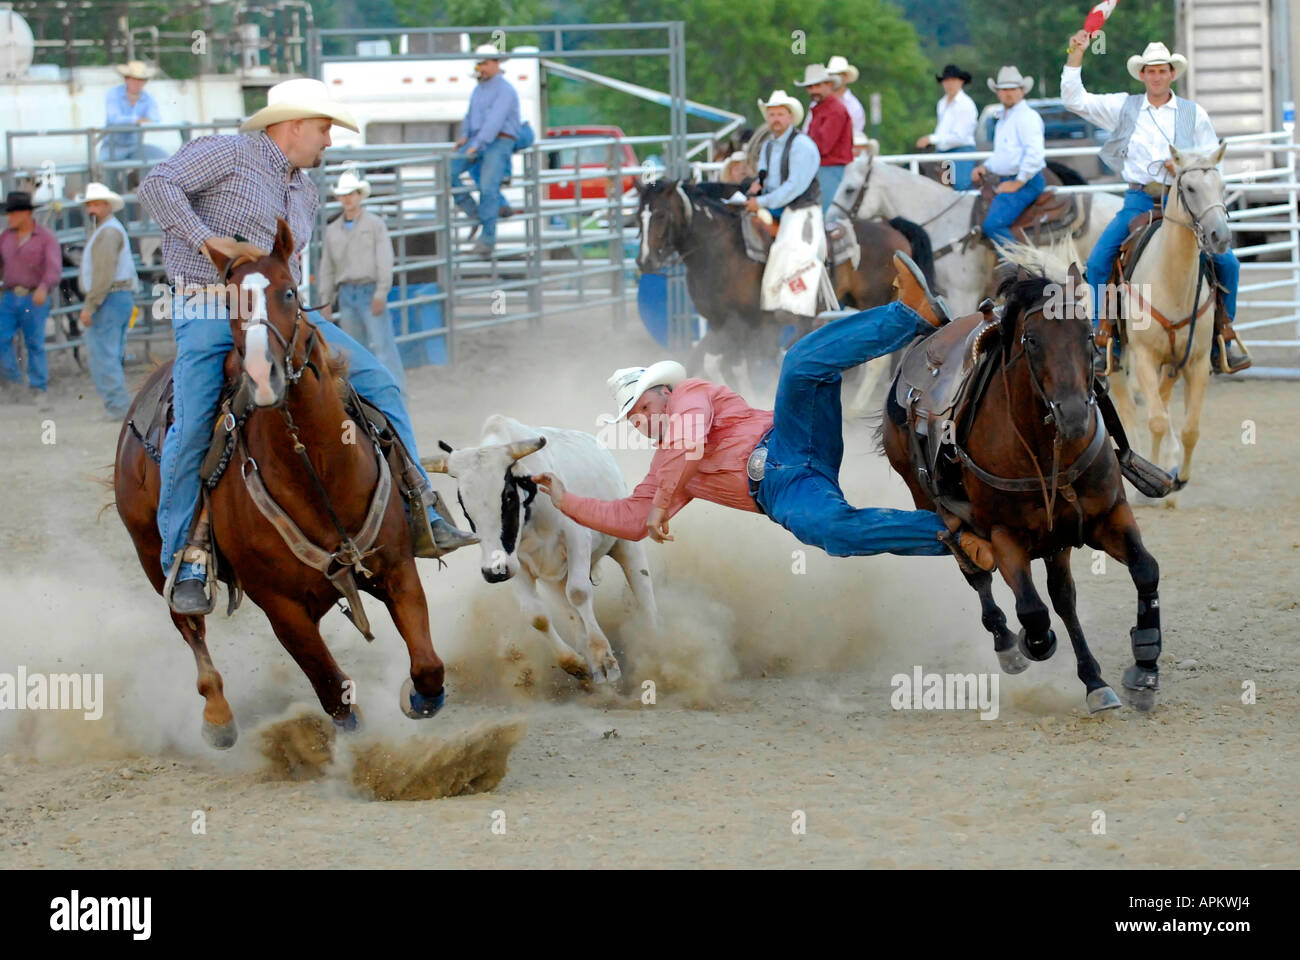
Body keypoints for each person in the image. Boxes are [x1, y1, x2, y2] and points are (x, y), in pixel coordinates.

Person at [137, 78, 476, 615]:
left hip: (286, 314)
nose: (330, 141)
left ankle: (420, 507)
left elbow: (291, 268)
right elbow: (157, 184)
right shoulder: (228, 152)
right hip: (208, 306)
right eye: (324, 129)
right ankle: (188, 555)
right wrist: (205, 240)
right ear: (293, 125)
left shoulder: (306, 189)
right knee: (196, 422)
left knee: (379, 382)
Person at [532, 253, 993, 573]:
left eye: (640, 409)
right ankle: (956, 536)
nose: (638, 424)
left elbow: (687, 443)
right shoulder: (667, 470)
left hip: (792, 437)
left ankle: (909, 318)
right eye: (631, 421)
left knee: (799, 365)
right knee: (827, 531)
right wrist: (566, 500)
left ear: (663, 392)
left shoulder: (692, 393)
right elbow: (632, 520)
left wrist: (658, 505)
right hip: (784, 492)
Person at [1063, 36, 1250, 373]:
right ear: (1143, 75)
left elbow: (1210, 163)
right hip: (1138, 199)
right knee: (1099, 261)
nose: (1157, 76)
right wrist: (1076, 54)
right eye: (1151, 71)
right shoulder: (1124, 107)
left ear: (1172, 74)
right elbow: (1075, 99)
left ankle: (1223, 332)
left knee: (1228, 264)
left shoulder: (1194, 114)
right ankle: (1102, 335)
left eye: (1163, 71)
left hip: (1185, 202)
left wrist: (1183, 167)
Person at [745, 90, 837, 329]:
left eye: (780, 114)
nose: (775, 118)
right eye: (771, 114)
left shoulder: (802, 145)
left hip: (802, 209)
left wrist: (762, 202)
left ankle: (795, 305)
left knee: (793, 249)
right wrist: (757, 186)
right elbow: (766, 176)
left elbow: (794, 186)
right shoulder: (767, 146)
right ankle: (767, 302)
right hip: (779, 207)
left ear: (790, 117)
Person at [316, 169, 405, 392]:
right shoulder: (332, 230)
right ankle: (365, 395)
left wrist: (381, 292)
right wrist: (326, 299)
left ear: (359, 195)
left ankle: (396, 391)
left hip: (369, 289)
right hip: (346, 293)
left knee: (383, 347)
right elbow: (327, 267)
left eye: (352, 193)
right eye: (344, 194)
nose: (348, 198)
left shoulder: (375, 225)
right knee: (355, 350)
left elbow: (385, 259)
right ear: (338, 197)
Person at [451, 44, 521, 259]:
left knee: (488, 187)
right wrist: (465, 135)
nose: (480, 67)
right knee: (448, 172)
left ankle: (487, 239)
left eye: (484, 63)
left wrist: (476, 143)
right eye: (479, 63)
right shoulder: (479, 89)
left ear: (495, 64)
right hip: (480, 140)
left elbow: (495, 121)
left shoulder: (505, 90)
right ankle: (476, 215)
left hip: (498, 141)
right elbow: (470, 114)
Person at [75, 182, 137, 420]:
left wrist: (91, 304)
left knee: (103, 354)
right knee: (110, 352)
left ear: (107, 205)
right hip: (117, 296)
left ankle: (118, 407)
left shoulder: (107, 232)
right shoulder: (109, 229)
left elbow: (103, 272)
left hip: (109, 297)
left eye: (96, 204)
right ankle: (119, 405)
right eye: (90, 204)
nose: (92, 208)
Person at [970, 66, 1046, 257]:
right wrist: (986, 167)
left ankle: (1018, 268)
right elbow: (1003, 154)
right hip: (1011, 179)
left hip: (1026, 182)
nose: (1008, 93)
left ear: (1022, 91)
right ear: (998, 93)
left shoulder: (1027, 117)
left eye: (1012, 89)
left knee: (993, 225)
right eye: (1004, 89)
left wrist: (1018, 182)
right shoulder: (1005, 118)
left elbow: (1034, 154)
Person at [0, 191, 61, 404]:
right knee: (2, 339)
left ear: (25, 213)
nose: (9, 218)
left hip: (33, 296)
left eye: (12, 213)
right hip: (9, 296)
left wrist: (44, 287)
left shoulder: (45, 238)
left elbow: (53, 269)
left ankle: (37, 386)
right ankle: (13, 381)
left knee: (34, 343)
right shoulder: (5, 237)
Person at [795, 63, 853, 213]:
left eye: (817, 86)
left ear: (829, 85)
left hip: (831, 169)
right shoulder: (823, 108)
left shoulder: (834, 111)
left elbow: (823, 146)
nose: (813, 91)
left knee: (821, 214)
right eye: (810, 87)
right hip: (822, 167)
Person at [101, 61, 166, 186]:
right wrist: (138, 120)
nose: (137, 83)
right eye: (134, 79)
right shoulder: (114, 94)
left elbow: (155, 119)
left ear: (145, 82)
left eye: (141, 80)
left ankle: (143, 191)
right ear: (127, 79)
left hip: (135, 146)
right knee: (109, 178)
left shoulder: (148, 98)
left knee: (161, 159)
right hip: (112, 147)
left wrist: (135, 121)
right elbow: (114, 119)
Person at [917, 64, 978, 191]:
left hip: (961, 151)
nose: (949, 84)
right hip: (943, 152)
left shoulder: (966, 104)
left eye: (953, 80)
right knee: (943, 189)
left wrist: (932, 139)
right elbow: (942, 129)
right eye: (947, 81)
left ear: (961, 82)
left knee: (962, 186)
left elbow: (959, 137)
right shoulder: (942, 103)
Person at [826, 55, 866, 134]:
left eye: (838, 74)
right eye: (831, 74)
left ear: (845, 77)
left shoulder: (854, 106)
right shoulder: (818, 102)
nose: (834, 78)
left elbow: (855, 136)